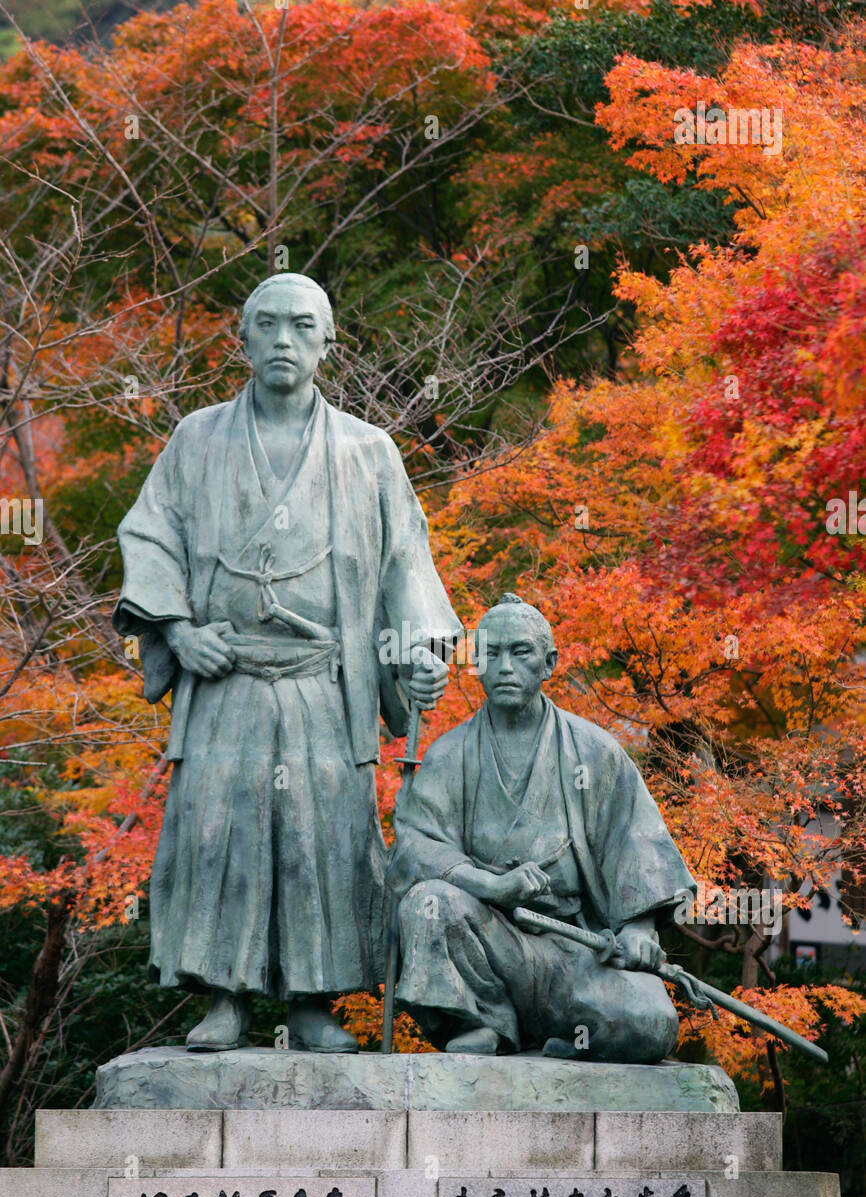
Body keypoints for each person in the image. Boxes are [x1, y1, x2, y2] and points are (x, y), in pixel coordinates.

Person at [113, 272, 461, 1051]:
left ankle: (314, 1002)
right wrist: (176, 630)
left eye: (303, 327)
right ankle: (223, 998)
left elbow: (407, 565)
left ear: (327, 344)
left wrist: (414, 662)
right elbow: (149, 538)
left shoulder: (368, 452)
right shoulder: (195, 439)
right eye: (266, 326)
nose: (282, 341)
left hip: (321, 684)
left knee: (324, 838)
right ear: (240, 341)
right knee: (217, 833)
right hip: (225, 677)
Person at [388, 594, 696, 1062]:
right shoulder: (450, 754)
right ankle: (482, 1019)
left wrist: (638, 931)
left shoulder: (594, 752)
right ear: (476, 664)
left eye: (521, 652)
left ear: (549, 663)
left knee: (651, 1023)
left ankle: (554, 1040)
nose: (505, 667)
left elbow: (634, 843)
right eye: (491, 653)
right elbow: (413, 851)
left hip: (575, 951)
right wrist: (493, 885)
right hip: (488, 942)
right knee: (429, 903)